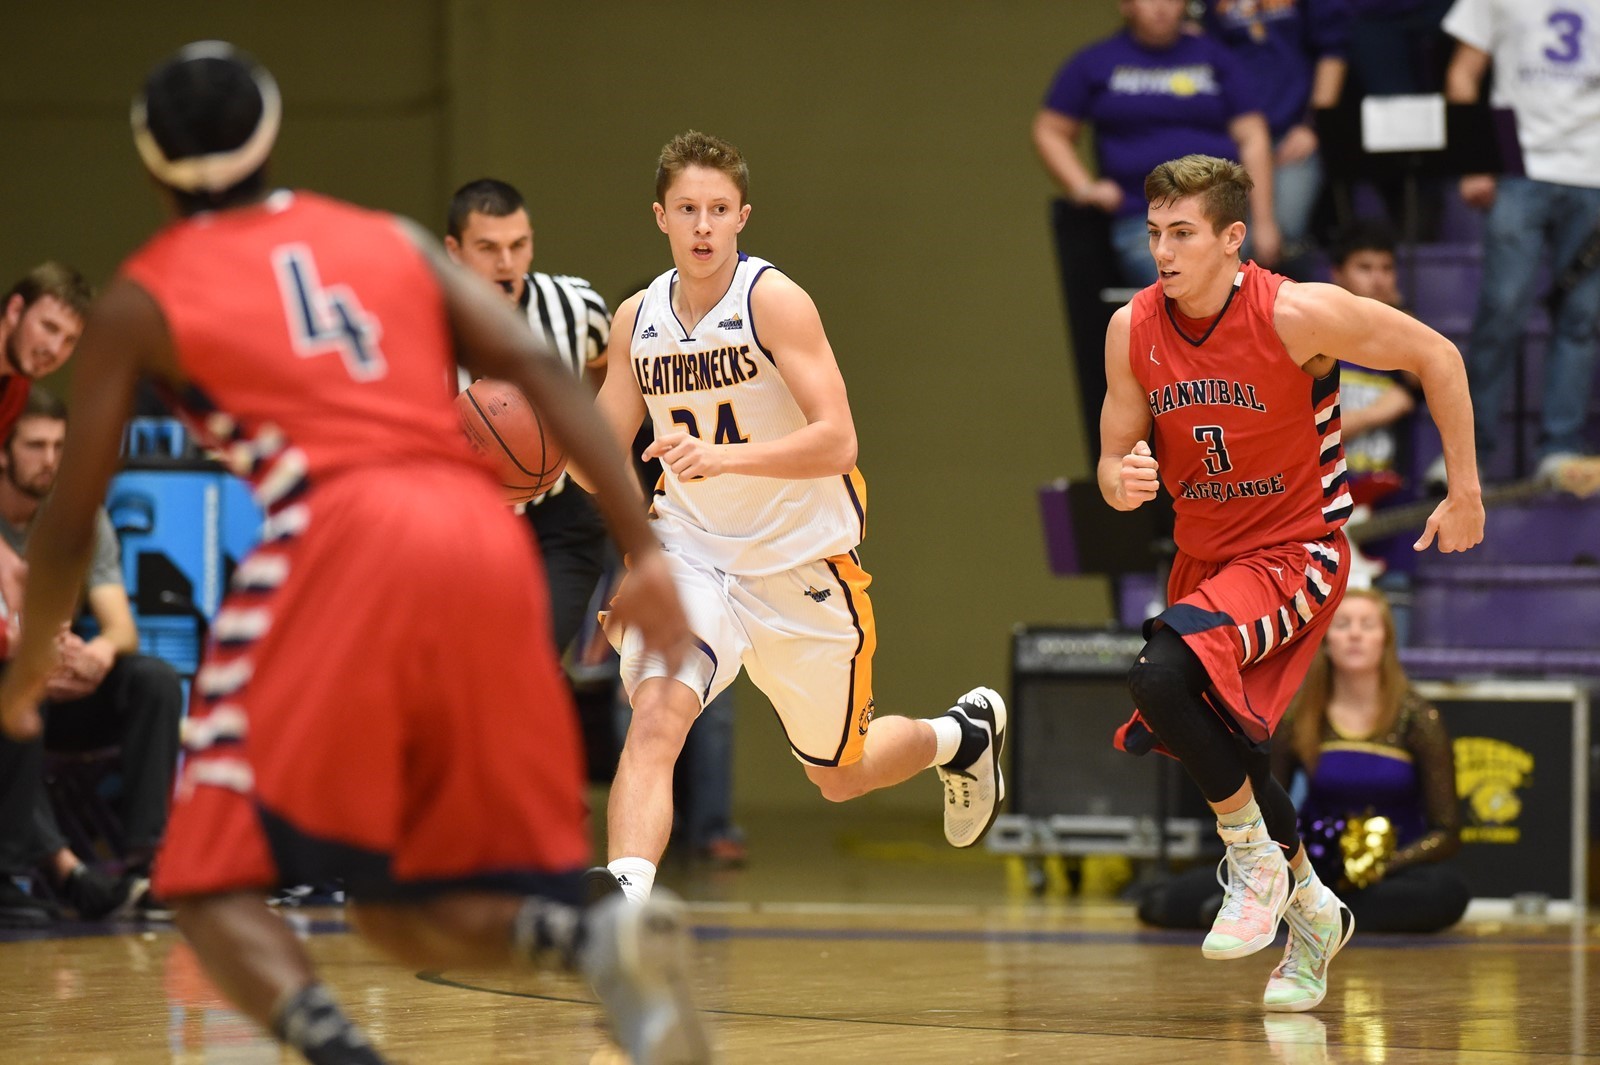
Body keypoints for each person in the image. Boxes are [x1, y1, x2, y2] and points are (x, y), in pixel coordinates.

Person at [0, 42, 708, 1065]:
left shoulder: (142, 298)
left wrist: (28, 669)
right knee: (393, 899)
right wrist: (639, 550)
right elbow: (544, 378)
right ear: (273, 134)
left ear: (152, 166)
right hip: (478, 538)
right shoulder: (390, 240)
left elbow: (68, 516)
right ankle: (591, 934)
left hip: (332, 536)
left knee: (203, 877)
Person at [574, 130, 1005, 905]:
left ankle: (960, 735)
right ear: (660, 218)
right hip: (692, 551)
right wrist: (532, 455)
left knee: (839, 776)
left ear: (743, 216)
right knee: (659, 710)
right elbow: (600, 454)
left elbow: (839, 439)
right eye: (686, 209)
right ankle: (623, 902)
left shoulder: (773, 299)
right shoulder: (637, 319)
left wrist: (722, 456)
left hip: (799, 563)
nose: (703, 226)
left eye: (717, 209)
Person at [1100, 154, 1482, 1010]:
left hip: (1294, 551)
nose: (1162, 250)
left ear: (1233, 239)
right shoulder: (1133, 328)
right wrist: (1117, 476)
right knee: (1204, 727)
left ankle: (1256, 864)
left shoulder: (1297, 312)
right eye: (1155, 232)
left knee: (1159, 673)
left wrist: (1464, 490)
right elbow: (1112, 450)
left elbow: (1439, 354)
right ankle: (1310, 904)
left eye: (1183, 234)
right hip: (1203, 556)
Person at [1136, 590, 1472, 934]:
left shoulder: (1418, 718)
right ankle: (1305, 908)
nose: (1355, 634)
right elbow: (1267, 800)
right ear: (1326, 640)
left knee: (1446, 894)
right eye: (1343, 625)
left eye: (1367, 625)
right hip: (1310, 862)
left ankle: (1293, 915)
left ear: (1385, 639)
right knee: (1163, 903)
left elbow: (1446, 831)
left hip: (1391, 871)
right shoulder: (1300, 715)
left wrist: (1379, 866)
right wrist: (1297, 861)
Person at [0, 390, 183, 927]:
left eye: (60, 445)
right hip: (14, 686)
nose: (51, 460)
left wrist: (98, 655)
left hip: (64, 685)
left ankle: (144, 866)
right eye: (36, 445)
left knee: (155, 679)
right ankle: (46, 871)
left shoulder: (80, 517)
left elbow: (120, 625)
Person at [444, 178, 613, 655]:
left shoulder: (577, 306)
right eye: (488, 248)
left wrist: (586, 428)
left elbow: (606, 366)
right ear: (454, 250)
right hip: (465, 521)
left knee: (529, 665)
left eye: (518, 245)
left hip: (560, 516)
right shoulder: (420, 318)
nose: (506, 263)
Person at [1441, 0, 1600, 482]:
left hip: (1593, 173)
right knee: (1501, 311)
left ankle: (1559, 450)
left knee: (1584, 319)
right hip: (1518, 167)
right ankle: (1469, 458)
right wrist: (1475, 159)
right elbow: (1462, 75)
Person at [1033, 0, 1279, 287]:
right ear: (1126, 5)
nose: (1160, 7)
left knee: (1256, 292)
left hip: (1221, 216)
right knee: (1186, 290)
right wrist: (1084, 187)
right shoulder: (1095, 62)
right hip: (1144, 222)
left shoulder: (1215, 56)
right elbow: (1049, 131)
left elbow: (1253, 135)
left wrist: (1264, 221)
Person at [1194, 0, 1351, 277]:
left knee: (1281, 230)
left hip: (1291, 132)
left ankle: (1264, 307)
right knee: (1223, 229)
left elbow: (1333, 52)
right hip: (1230, 135)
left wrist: (1313, 125)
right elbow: (1206, 52)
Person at [0, 263, 92, 633]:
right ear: (15, 309)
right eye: (49, 327)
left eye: (70, 340)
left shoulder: (16, 389)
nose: (55, 349)